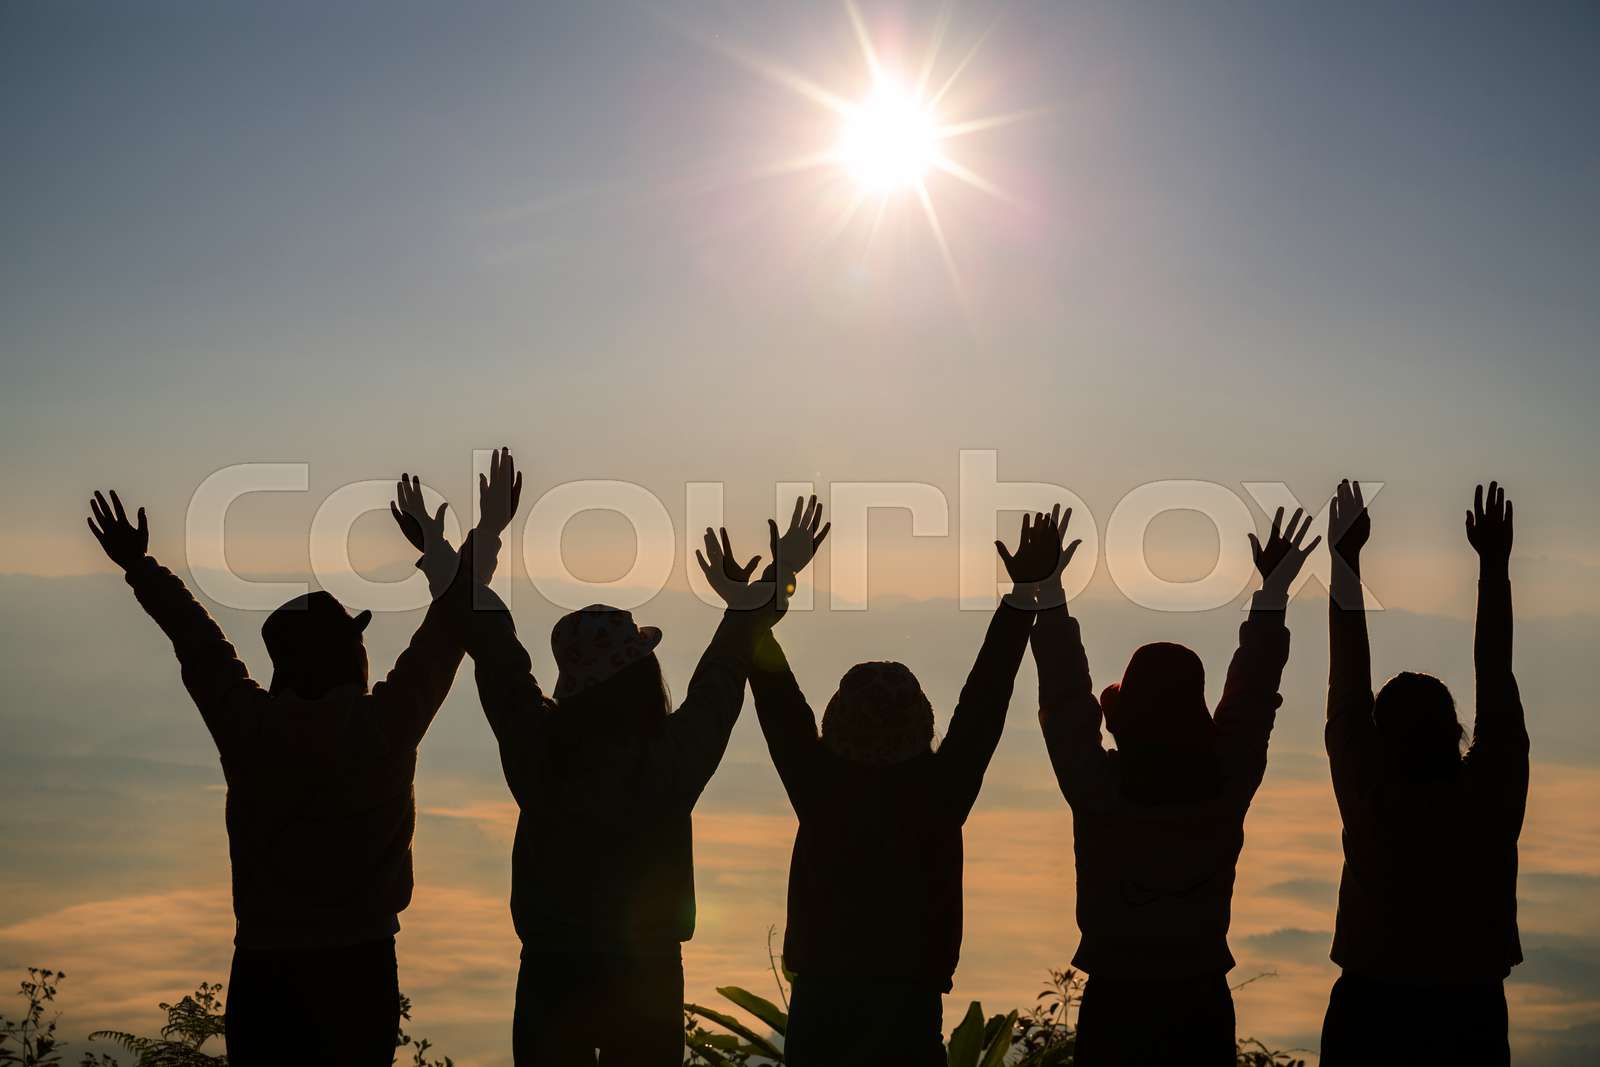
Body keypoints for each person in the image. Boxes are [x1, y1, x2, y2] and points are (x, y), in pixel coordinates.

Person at [82, 450, 519, 1067]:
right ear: (350, 658)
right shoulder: (382, 727)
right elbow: (448, 629)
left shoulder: (250, 727)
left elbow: (197, 641)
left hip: (264, 966)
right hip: (361, 967)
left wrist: (140, 566)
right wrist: (482, 536)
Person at [452, 471, 828, 1066]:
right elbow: (723, 676)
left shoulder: (539, 750)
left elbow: (497, 657)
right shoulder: (669, 760)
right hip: (649, 972)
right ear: (642, 678)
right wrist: (768, 586)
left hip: (552, 968)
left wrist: (481, 542)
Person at [749, 505, 1075, 1067]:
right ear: (922, 721)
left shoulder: (819, 784)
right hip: (911, 1001)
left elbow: (775, 693)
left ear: (834, 720)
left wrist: (776, 582)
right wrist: (1024, 595)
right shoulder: (939, 792)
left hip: (821, 1002)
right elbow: (985, 698)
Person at [1030, 505, 1320, 1066]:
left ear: (1122, 719)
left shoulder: (1099, 792)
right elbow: (1253, 695)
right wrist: (1272, 595)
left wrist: (1048, 593)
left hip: (1116, 1002)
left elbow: (1064, 702)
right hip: (1200, 1000)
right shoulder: (1225, 785)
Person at [1319, 480, 1526, 1065]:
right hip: (1471, 1012)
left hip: (1369, 1009)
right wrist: (1493, 565)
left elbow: (1347, 682)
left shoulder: (1369, 794)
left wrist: (1345, 559)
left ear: (1379, 739)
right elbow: (1498, 675)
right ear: (1454, 731)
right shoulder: (1490, 795)